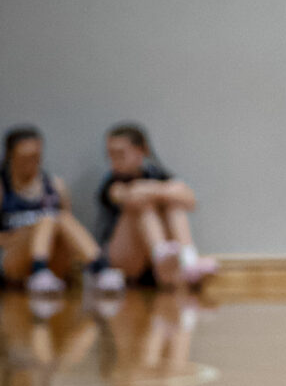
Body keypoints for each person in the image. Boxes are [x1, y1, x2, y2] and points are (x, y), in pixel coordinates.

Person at [1, 125, 124, 303]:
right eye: (25, 157)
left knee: (62, 218)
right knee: (47, 220)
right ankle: (39, 270)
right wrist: (29, 233)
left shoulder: (55, 186)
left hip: (54, 264)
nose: (32, 162)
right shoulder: (3, 188)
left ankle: (100, 270)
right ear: (10, 156)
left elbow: (68, 233)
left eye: (36, 156)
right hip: (15, 260)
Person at [96, 124, 218, 287]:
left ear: (140, 151)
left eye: (120, 154)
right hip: (124, 260)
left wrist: (152, 189)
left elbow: (190, 199)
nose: (114, 161)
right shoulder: (111, 182)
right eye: (111, 155)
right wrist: (158, 190)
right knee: (142, 204)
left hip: (151, 262)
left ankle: (188, 259)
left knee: (174, 204)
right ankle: (160, 252)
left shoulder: (156, 175)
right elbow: (125, 195)